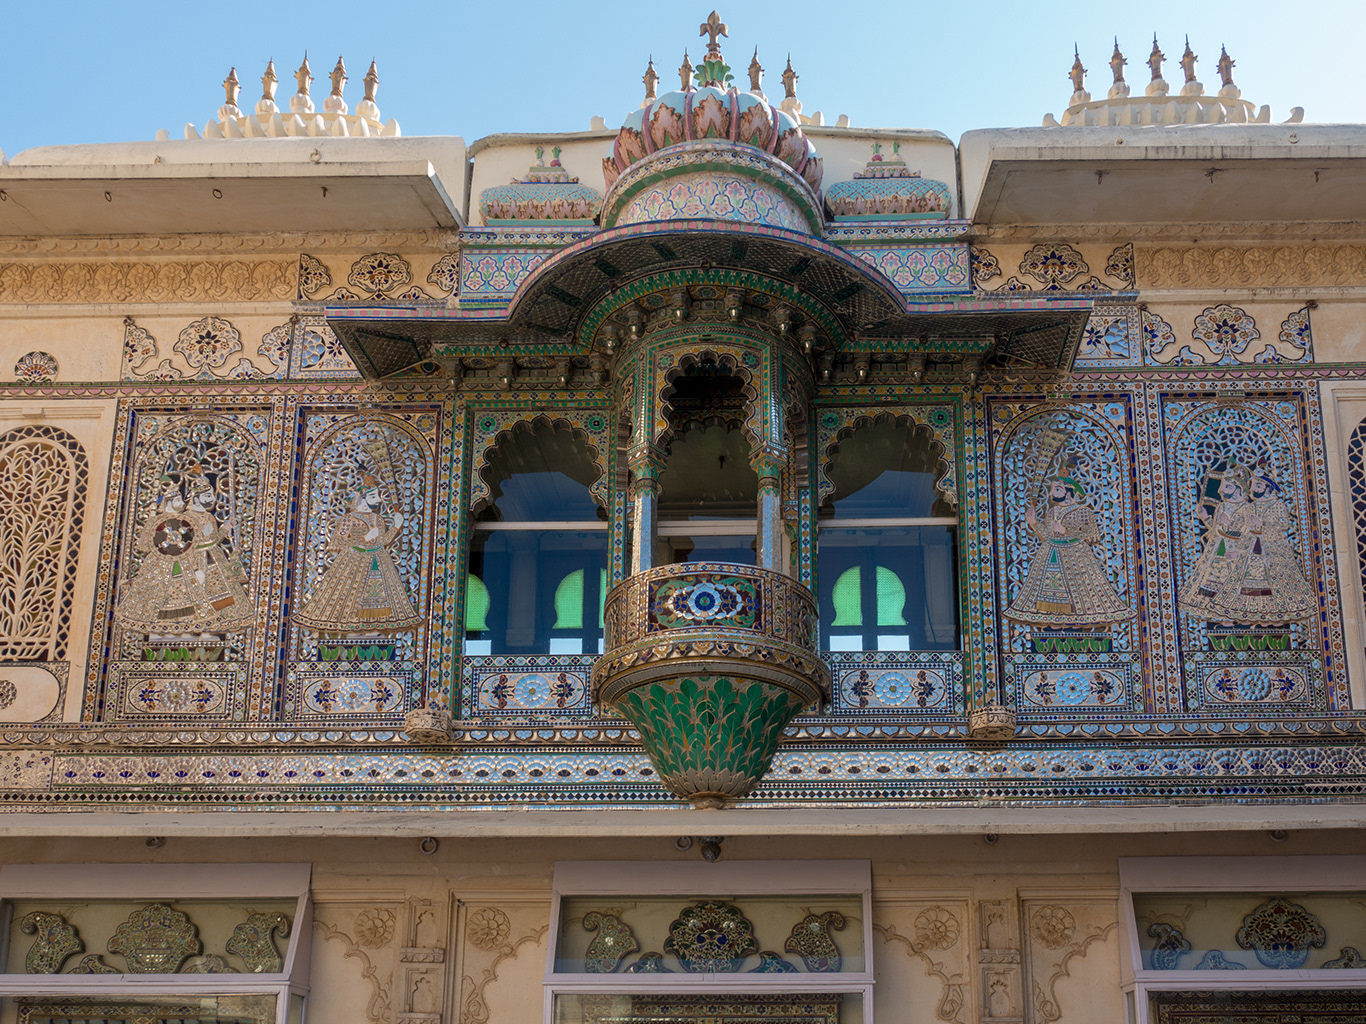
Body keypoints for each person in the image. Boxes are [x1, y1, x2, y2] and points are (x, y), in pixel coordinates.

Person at [115, 467, 253, 634]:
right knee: (193, 596)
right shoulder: (186, 518)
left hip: (214, 558)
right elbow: (181, 544)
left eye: (211, 496)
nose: (212, 500)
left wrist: (226, 527)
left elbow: (214, 540)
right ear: (196, 498)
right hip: (193, 559)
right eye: (207, 496)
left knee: (222, 595)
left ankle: (219, 624)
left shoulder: (209, 517)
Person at [294, 474, 421, 634]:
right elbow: (336, 543)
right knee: (351, 598)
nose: (379, 500)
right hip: (355, 560)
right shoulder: (349, 519)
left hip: (378, 559)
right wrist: (364, 538)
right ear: (363, 498)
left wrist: (396, 527)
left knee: (379, 599)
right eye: (374, 497)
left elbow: (382, 541)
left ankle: (374, 630)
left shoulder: (377, 519)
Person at [1004, 468, 1131, 627]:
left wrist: (1065, 531)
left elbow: (1092, 536)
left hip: (1075, 555)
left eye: (1057, 490)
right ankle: (1053, 620)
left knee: (1079, 591)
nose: (1052, 494)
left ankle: (1078, 620)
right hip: (1051, 553)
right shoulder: (1052, 512)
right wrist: (1034, 522)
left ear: (1070, 493)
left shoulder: (1083, 512)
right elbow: (1048, 536)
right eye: (1052, 490)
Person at [1205, 461, 1316, 624]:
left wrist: (1262, 524)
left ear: (1267, 488)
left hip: (1273, 549)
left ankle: (1278, 613)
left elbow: (1284, 526)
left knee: (1275, 583)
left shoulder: (1278, 505)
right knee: (1250, 584)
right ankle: (1252, 613)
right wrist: (1238, 550)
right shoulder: (1254, 506)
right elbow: (1246, 530)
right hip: (1252, 548)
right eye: (1252, 486)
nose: (1252, 490)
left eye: (1257, 486)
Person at [1179, 465, 1257, 623]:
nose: (1221, 491)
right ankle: (1222, 617)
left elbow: (1252, 534)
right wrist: (1205, 518)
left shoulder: (1248, 509)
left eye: (1227, 487)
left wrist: (1231, 528)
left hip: (1238, 553)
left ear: (1237, 489)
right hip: (1219, 549)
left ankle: (1242, 617)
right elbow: (1216, 531)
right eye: (1222, 486)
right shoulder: (1222, 506)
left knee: (1238, 586)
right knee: (1215, 584)